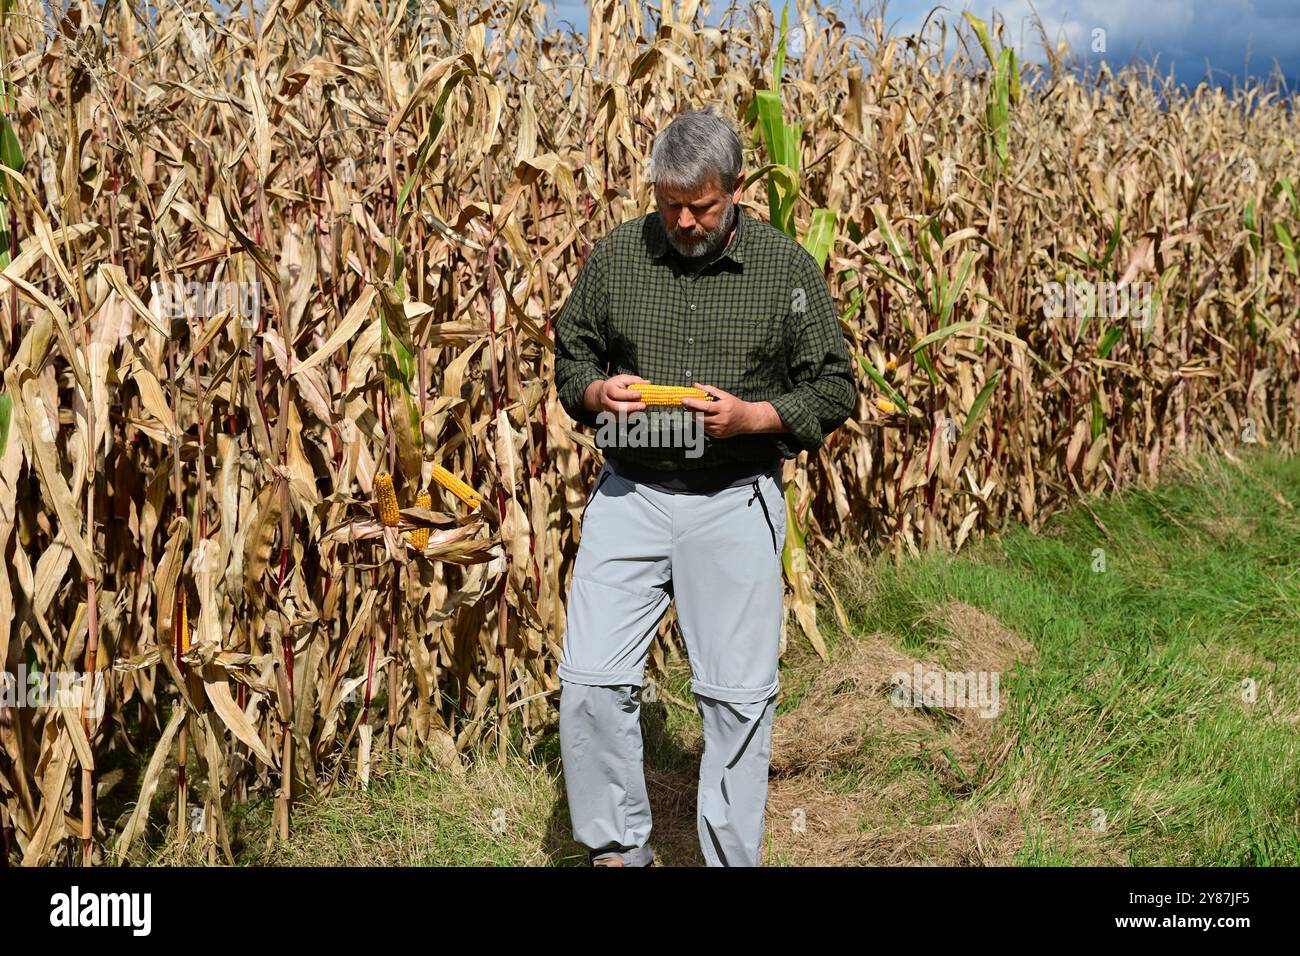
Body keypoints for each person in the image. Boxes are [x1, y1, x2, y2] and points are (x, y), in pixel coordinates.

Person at [553, 108, 856, 866]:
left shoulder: (786, 271)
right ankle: (621, 851)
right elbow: (571, 357)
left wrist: (755, 415)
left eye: (702, 207)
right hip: (632, 490)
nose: (684, 221)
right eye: (670, 205)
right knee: (590, 681)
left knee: (734, 699)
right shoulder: (619, 256)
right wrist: (596, 395)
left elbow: (834, 388)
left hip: (734, 494)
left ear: (738, 189)